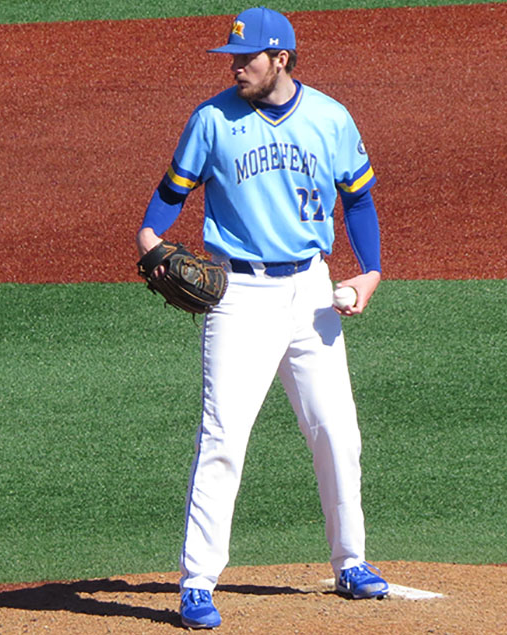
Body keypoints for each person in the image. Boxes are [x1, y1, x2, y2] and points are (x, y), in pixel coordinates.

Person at [135, 6, 388, 629]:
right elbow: (172, 192)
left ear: (282, 58)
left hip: (311, 290)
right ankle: (197, 582)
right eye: (231, 58)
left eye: (246, 58)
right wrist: (147, 237)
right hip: (239, 296)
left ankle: (350, 562)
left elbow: (358, 199)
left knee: (336, 431)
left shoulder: (331, 118)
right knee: (223, 436)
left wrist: (371, 271)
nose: (236, 67)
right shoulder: (212, 119)